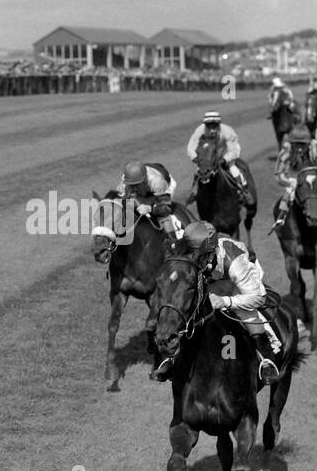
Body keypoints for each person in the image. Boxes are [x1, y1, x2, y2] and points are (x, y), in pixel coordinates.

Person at [152, 220, 285, 385]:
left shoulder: (235, 261)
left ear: (211, 252)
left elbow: (258, 297)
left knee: (245, 311)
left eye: (198, 256)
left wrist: (225, 301)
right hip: (212, 280)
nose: (194, 258)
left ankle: (266, 359)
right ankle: (173, 358)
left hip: (238, 282)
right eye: (191, 253)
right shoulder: (190, 247)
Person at [274, 124, 317, 231]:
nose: (299, 149)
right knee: (289, 193)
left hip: (313, 179)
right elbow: (278, 174)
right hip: (294, 178)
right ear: (291, 143)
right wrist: (289, 181)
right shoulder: (286, 152)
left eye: (303, 145)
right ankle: (281, 219)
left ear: (309, 144)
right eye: (296, 144)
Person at [186, 110, 247, 201]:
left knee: (231, 166)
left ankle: (242, 188)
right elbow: (191, 147)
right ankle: (194, 192)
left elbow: (233, 151)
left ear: (218, 125)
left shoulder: (227, 131)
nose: (212, 130)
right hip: (209, 152)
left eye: (214, 126)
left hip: (226, 150)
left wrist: (224, 160)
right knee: (199, 170)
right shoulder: (199, 131)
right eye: (209, 126)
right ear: (205, 125)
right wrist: (197, 159)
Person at [115, 159, 182, 237]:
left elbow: (166, 208)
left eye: (137, 185)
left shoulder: (158, 182)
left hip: (163, 187)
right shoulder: (124, 184)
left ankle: (173, 242)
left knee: (163, 216)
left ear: (144, 180)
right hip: (147, 184)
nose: (134, 188)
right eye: (132, 185)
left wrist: (150, 209)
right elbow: (120, 202)